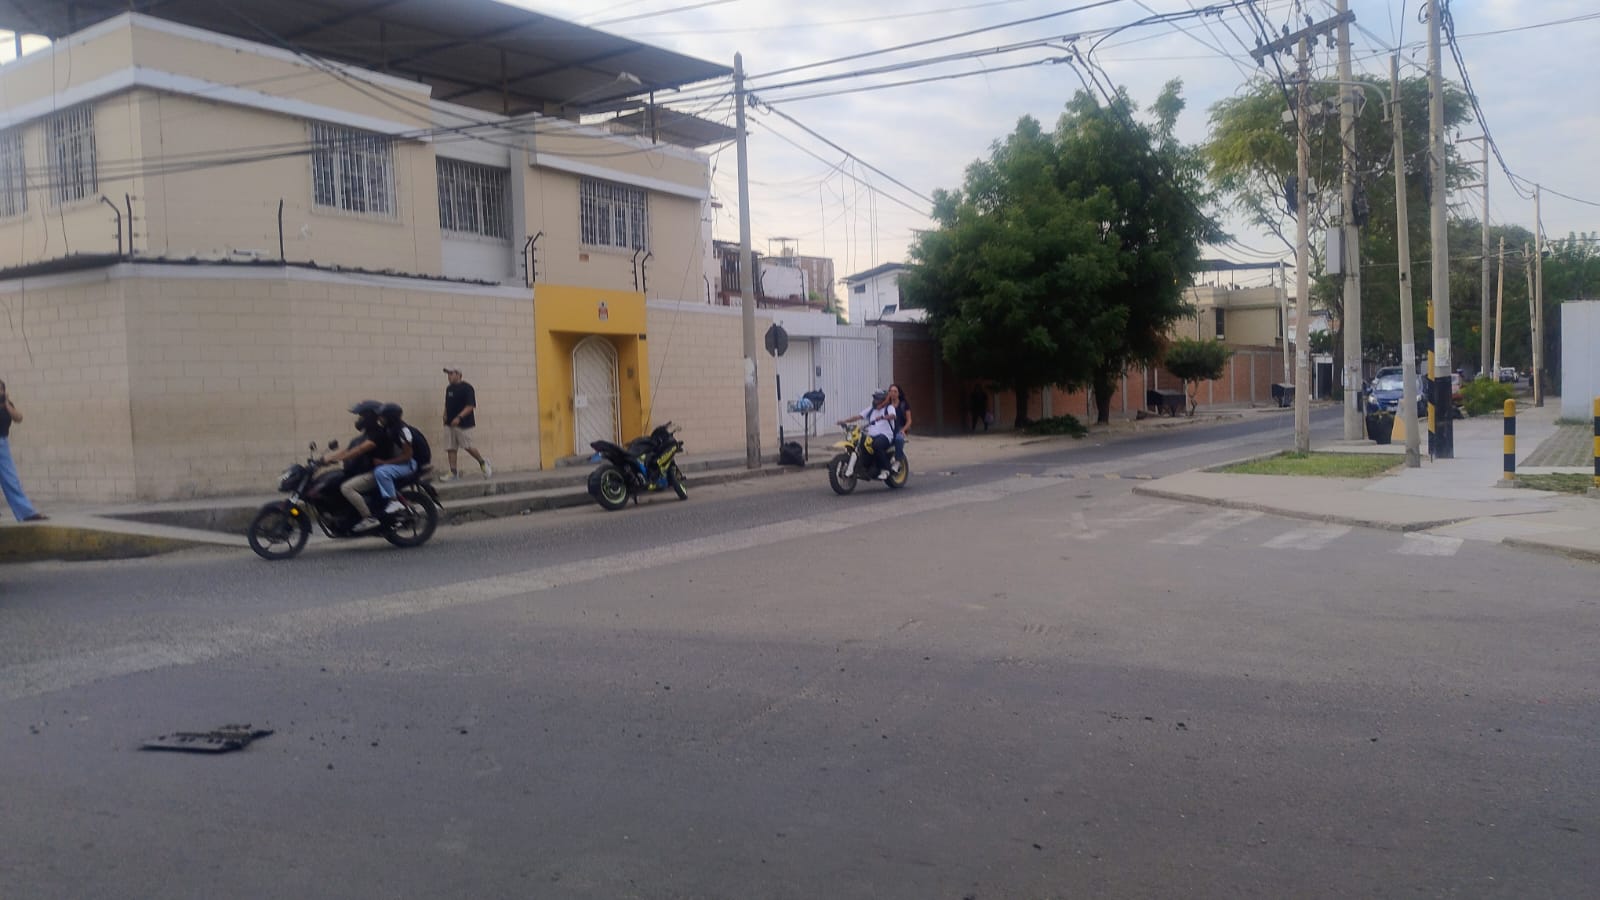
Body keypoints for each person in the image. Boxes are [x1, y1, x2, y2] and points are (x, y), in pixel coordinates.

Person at [324, 400, 387, 532]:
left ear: (370, 417)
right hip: (362, 471)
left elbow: (359, 450)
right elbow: (349, 449)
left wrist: (338, 458)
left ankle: (368, 518)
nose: (359, 420)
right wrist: (325, 458)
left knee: (347, 488)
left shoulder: (378, 434)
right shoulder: (366, 434)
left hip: (375, 472)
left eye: (362, 416)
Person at [372, 402, 431, 519]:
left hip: (413, 463)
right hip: (407, 461)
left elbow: (407, 456)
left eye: (382, 416)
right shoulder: (391, 429)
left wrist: (384, 463)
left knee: (381, 472)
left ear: (390, 417)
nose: (379, 419)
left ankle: (394, 502)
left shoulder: (403, 431)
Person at [0, 379, 46, 521]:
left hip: (2, 443)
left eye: (1, 389)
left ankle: (26, 513)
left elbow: (18, 418)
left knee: (11, 480)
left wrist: (6, 403)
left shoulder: (7, 405)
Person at [440, 366, 491, 481]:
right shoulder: (449, 388)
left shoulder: (467, 388)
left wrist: (459, 417)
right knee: (451, 447)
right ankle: (453, 473)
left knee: (468, 446)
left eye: (451, 374)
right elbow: (447, 403)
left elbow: (470, 406)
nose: (449, 376)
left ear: (459, 375)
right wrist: (445, 414)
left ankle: (483, 462)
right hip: (449, 424)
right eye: (448, 374)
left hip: (463, 424)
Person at [837, 389, 897, 479]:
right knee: (860, 444)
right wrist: (844, 421)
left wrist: (883, 417)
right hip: (871, 435)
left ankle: (886, 469)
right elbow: (858, 416)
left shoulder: (889, 408)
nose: (875, 400)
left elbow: (893, 416)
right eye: (875, 398)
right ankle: (864, 466)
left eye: (878, 398)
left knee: (877, 445)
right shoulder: (871, 409)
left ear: (883, 399)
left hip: (885, 435)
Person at [886, 383, 912, 472]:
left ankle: (898, 461)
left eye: (895, 391)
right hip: (888, 429)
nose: (892, 393)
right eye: (890, 391)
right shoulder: (886, 405)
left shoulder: (904, 404)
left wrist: (903, 430)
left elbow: (909, 420)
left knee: (899, 439)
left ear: (898, 393)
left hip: (899, 429)